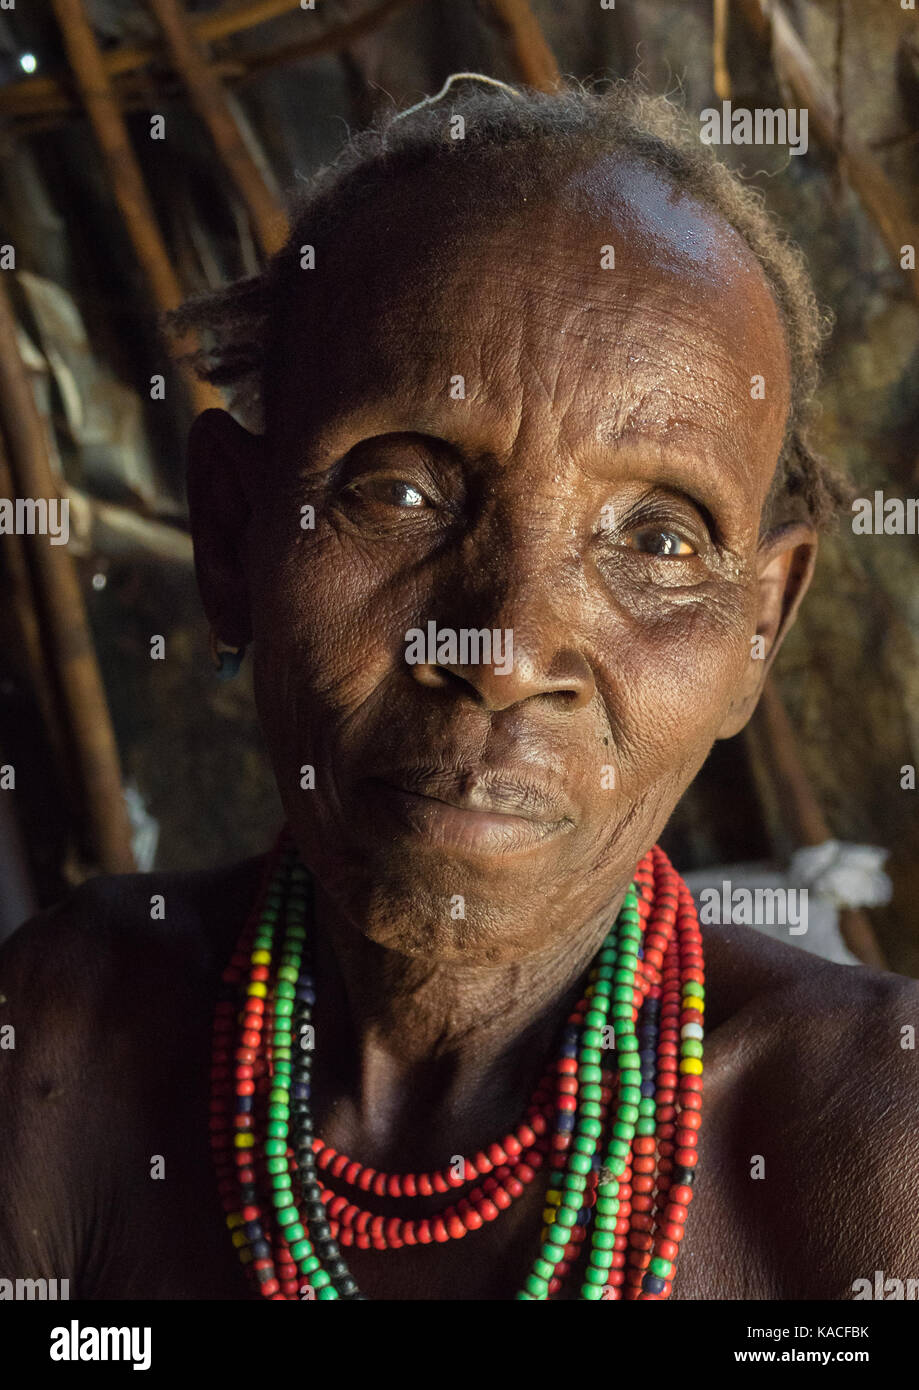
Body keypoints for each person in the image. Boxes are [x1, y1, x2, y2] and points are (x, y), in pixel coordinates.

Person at [1, 75, 916, 1302]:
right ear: (232, 538)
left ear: (757, 626)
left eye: (657, 539)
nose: (505, 648)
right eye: (401, 490)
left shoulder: (875, 1144)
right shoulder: (63, 1046)